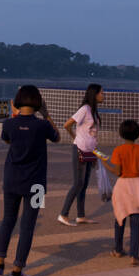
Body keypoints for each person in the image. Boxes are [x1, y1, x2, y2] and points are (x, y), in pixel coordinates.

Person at [0, 85, 59, 276]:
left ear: (18, 100)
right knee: (27, 226)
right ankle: (16, 271)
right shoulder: (42, 126)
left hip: (11, 179)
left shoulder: (9, 124)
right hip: (37, 183)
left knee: (8, 220)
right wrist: (46, 115)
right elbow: (57, 137)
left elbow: (7, 141)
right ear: (38, 103)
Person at [100, 119, 139, 266]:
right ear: (138, 133)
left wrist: (105, 164)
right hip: (137, 186)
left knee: (120, 220)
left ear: (121, 133)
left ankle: (118, 250)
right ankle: (135, 256)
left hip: (122, 187)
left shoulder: (118, 150)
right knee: (136, 223)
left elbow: (117, 171)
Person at [58, 84, 102, 225]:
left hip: (90, 151)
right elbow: (67, 125)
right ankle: (63, 214)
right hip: (80, 150)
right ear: (94, 94)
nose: (103, 95)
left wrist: (95, 154)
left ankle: (81, 216)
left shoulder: (93, 111)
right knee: (78, 183)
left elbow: (93, 135)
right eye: (101, 93)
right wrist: (75, 138)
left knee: (84, 184)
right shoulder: (84, 109)